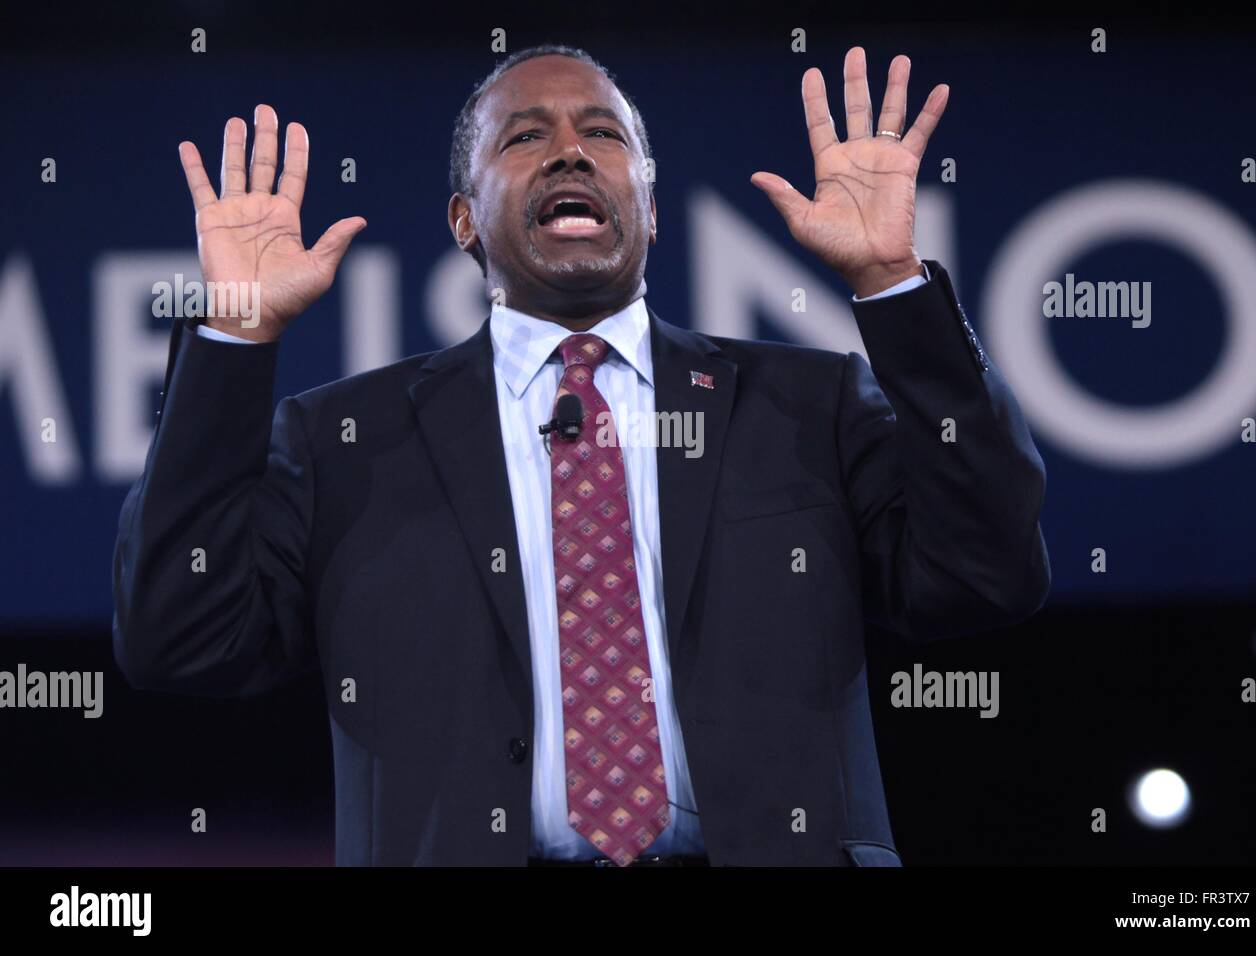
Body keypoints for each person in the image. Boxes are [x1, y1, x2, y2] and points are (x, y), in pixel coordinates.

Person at [113, 43, 1050, 866]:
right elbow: (178, 638)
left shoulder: (810, 406)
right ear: (464, 221)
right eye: (523, 138)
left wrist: (893, 287)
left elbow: (987, 572)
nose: (568, 149)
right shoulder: (342, 442)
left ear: (648, 204)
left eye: (603, 135)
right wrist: (235, 333)